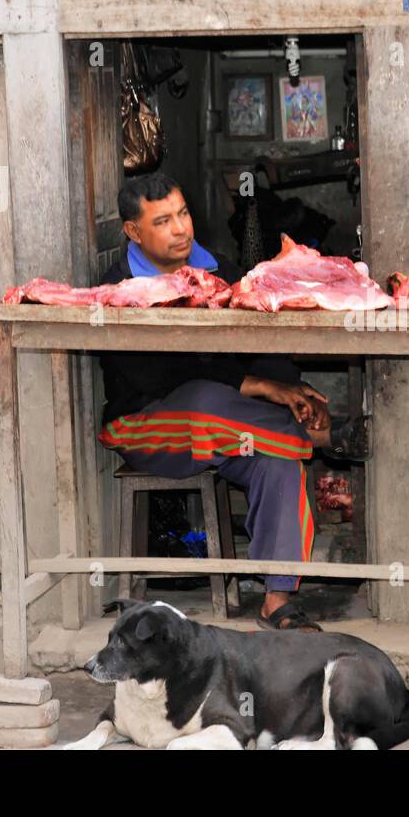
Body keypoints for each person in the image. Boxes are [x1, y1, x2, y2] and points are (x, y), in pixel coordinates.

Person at [96, 172, 368, 632]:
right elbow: (162, 375)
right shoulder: (119, 286)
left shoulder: (215, 270)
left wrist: (294, 389)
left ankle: (277, 600)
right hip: (146, 426)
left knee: (277, 460)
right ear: (133, 232)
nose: (181, 228)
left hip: (231, 432)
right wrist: (260, 388)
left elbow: (254, 344)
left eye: (183, 214)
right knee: (204, 399)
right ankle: (317, 434)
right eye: (163, 221)